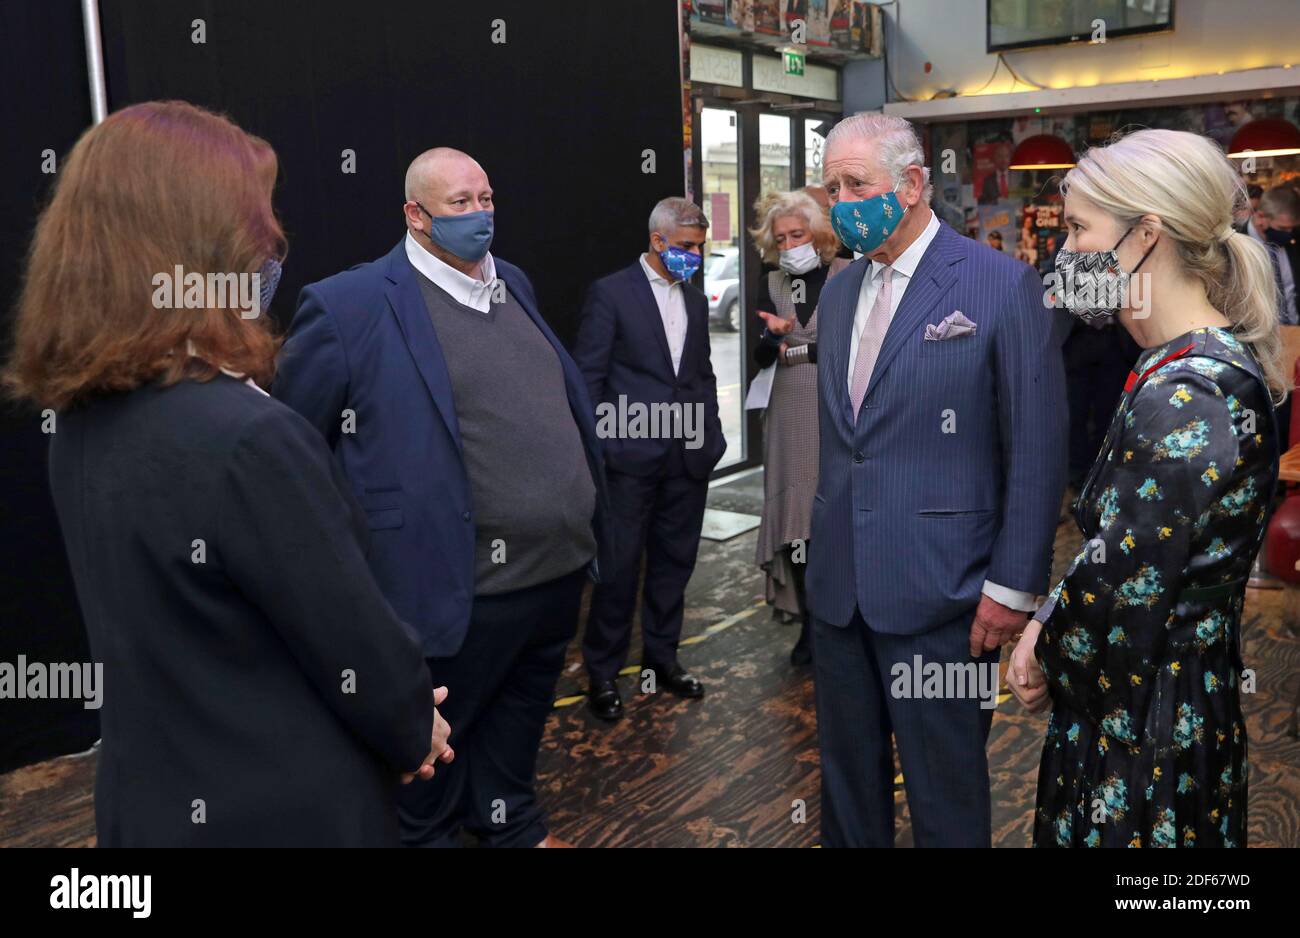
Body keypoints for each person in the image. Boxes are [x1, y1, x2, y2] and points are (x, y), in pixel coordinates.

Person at [2, 101, 449, 847]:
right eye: (257, 216)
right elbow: (352, 643)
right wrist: (414, 728)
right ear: (196, 246)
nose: (273, 239)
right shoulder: (246, 439)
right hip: (284, 816)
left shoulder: (79, 423)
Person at [273, 147, 610, 848]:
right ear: (415, 215)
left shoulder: (511, 282)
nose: (480, 214)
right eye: (460, 203)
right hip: (451, 598)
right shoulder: (351, 304)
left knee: (510, 763)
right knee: (429, 786)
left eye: (487, 198)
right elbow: (295, 456)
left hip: (553, 586)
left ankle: (514, 829)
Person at [1008, 128, 1285, 848]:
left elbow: (1121, 594)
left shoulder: (1186, 390)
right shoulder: (1188, 361)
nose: (1064, 255)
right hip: (1171, 705)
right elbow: (1122, 547)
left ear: (1147, 233)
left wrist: (1041, 639)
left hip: (1143, 735)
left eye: (1077, 229)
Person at [808, 112, 1068, 847]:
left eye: (856, 184)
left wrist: (1013, 587)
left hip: (948, 598)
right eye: (831, 188)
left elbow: (1037, 451)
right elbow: (845, 444)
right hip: (838, 593)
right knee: (846, 790)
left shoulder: (1001, 286)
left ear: (914, 183)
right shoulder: (836, 294)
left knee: (945, 794)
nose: (842, 202)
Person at [571, 197, 725, 721]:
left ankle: (662, 659)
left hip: (687, 461)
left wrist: (713, 439)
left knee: (673, 566)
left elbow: (700, 375)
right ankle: (602, 672)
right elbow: (588, 379)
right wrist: (601, 452)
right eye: (686, 247)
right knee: (617, 570)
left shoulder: (697, 301)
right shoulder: (610, 294)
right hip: (628, 461)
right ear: (657, 241)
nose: (694, 257)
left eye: (700, 248)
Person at [748, 189, 850, 665]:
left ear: (820, 234)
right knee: (797, 524)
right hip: (787, 413)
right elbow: (759, 359)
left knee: (834, 519)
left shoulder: (848, 275)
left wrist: (800, 351)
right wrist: (773, 338)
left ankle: (840, 620)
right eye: (782, 238)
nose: (790, 244)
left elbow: (853, 348)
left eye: (798, 234)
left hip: (837, 408)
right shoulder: (769, 285)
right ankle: (810, 625)